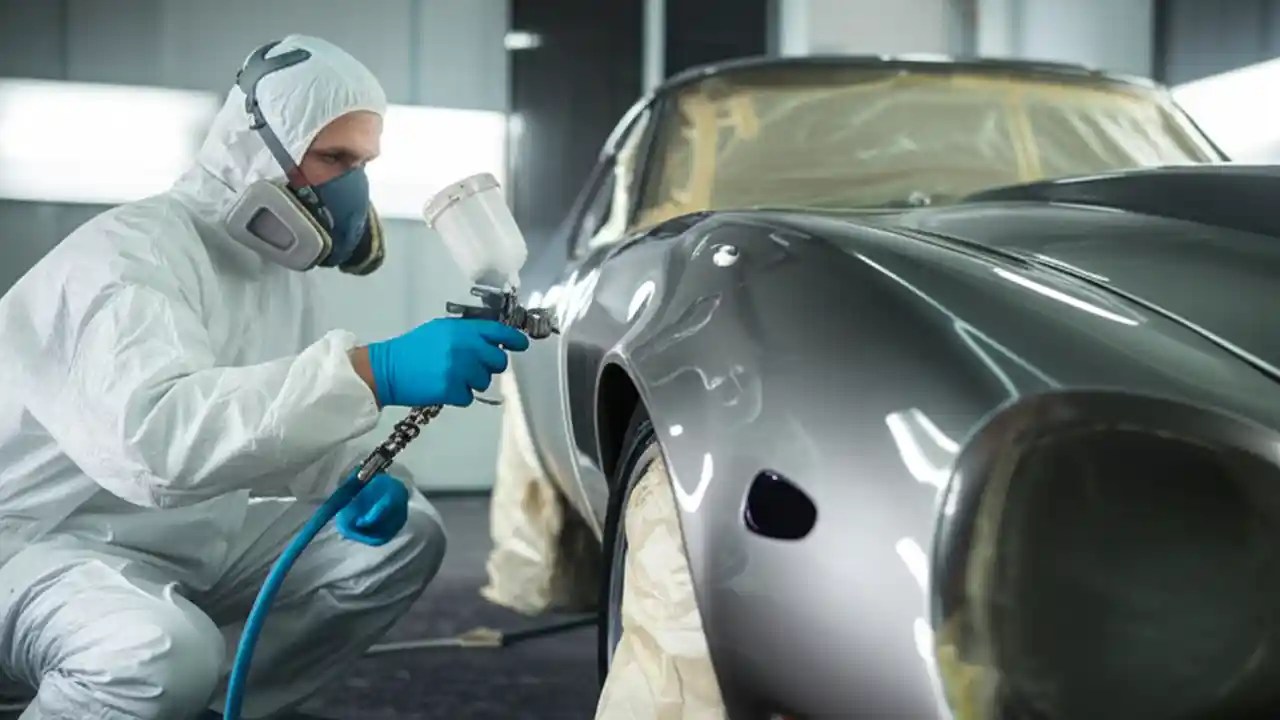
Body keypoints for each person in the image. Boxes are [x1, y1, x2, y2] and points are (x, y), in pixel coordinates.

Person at [0, 34, 528, 719]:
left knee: (405, 536)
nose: (353, 188)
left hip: (179, 536)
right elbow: (157, 445)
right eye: (334, 158)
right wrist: (378, 371)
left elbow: (271, 414)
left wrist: (352, 475)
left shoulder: (273, 272)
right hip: (36, 545)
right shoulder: (126, 258)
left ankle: (228, 708)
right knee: (159, 655)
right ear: (257, 151)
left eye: (363, 162)